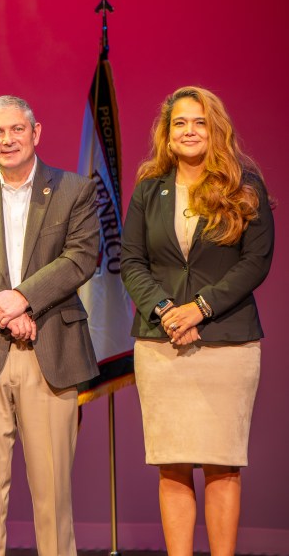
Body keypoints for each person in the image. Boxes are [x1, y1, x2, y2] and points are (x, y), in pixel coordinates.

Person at [0, 95, 100, 556]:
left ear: (36, 133)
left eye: (16, 130)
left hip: (49, 350)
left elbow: (82, 256)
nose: (7, 139)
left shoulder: (74, 190)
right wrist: (6, 311)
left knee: (53, 495)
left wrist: (23, 298)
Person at [121, 86, 274, 556]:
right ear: (166, 134)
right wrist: (167, 311)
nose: (189, 131)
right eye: (180, 123)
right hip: (161, 344)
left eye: (199, 122)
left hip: (227, 343)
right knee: (173, 464)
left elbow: (256, 261)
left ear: (216, 129)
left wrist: (201, 308)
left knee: (222, 465)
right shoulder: (149, 189)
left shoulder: (245, 185)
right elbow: (131, 261)